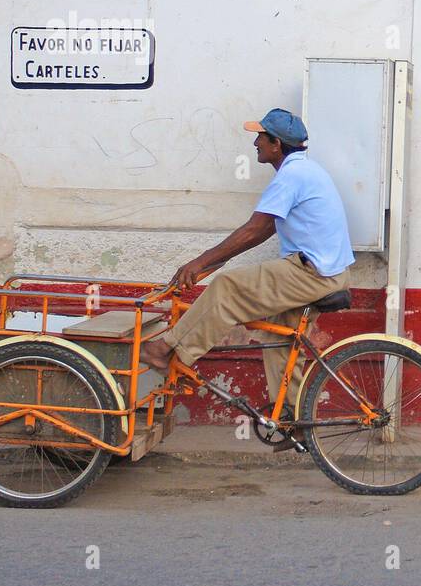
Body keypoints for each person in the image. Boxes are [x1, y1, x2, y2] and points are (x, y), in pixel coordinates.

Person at [139, 109, 354, 446]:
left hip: (312, 273)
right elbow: (266, 228)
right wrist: (213, 262)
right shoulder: (304, 171)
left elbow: (255, 229)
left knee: (226, 289)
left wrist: (199, 263)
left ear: (276, 144)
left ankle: (166, 349)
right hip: (324, 272)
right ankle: (294, 419)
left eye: (261, 137)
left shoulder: (291, 176)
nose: (255, 143)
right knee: (281, 341)